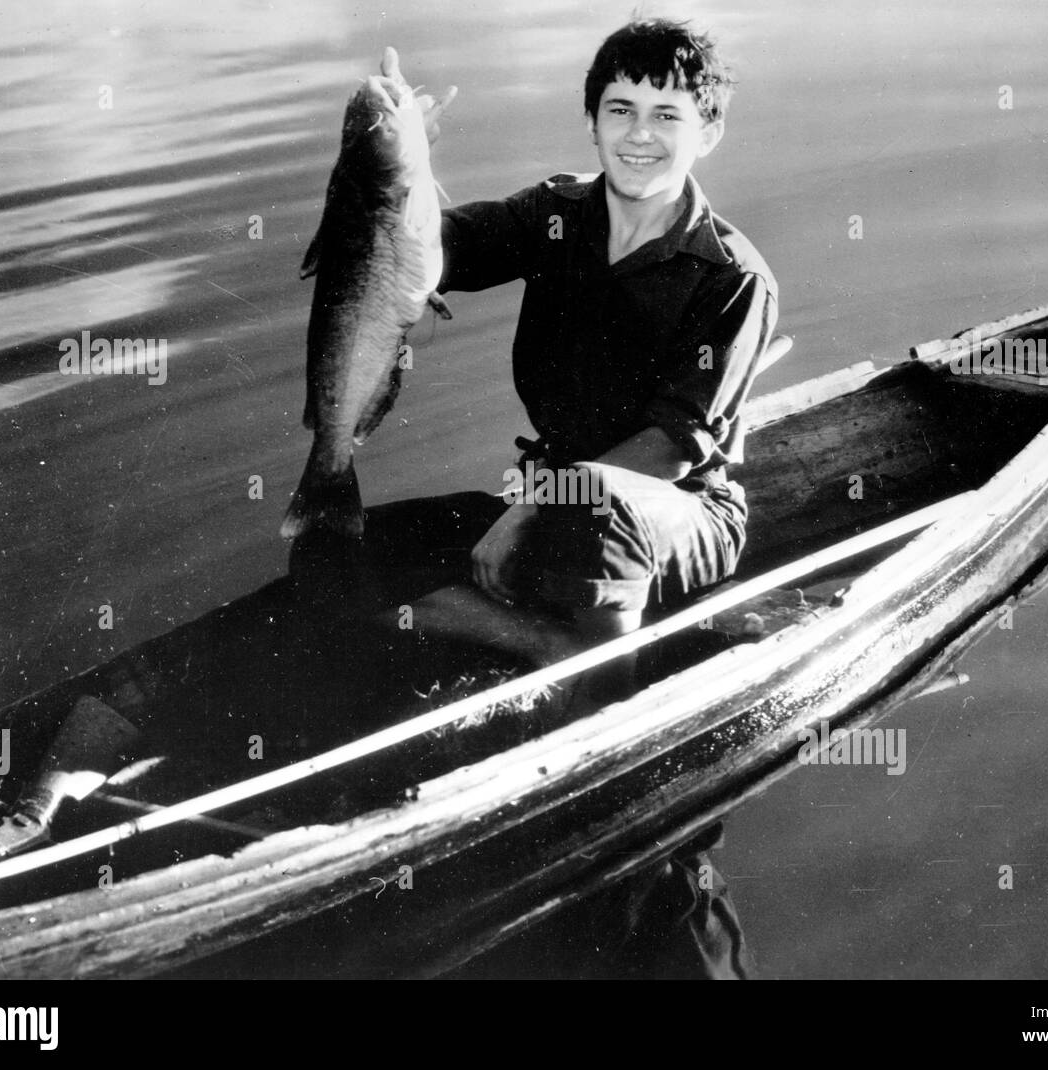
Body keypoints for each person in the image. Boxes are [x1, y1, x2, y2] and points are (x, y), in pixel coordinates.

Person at [340, 19, 781, 978]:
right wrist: (400, 170)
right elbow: (427, 256)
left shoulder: (732, 276)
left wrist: (533, 502)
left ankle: (603, 760)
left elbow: (668, 450)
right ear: (591, 119)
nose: (639, 134)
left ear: (707, 130)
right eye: (619, 108)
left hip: (676, 514)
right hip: (556, 505)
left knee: (602, 513)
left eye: (668, 114)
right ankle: (550, 645)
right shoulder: (557, 216)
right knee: (338, 544)